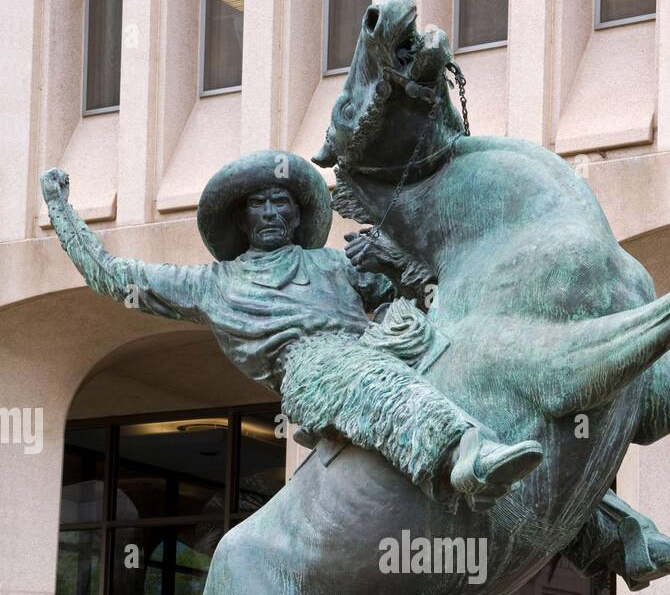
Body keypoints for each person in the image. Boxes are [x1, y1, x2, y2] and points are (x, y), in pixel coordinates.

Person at [40, 151, 543, 510]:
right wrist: (62, 211)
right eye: (258, 203)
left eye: (281, 201)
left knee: (453, 349)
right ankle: (463, 453)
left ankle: (599, 525)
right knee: (357, 371)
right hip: (312, 370)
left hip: (380, 346)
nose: (271, 212)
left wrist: (392, 263)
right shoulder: (211, 284)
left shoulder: (333, 263)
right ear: (242, 217)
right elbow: (113, 275)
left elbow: (419, 292)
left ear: (297, 212)